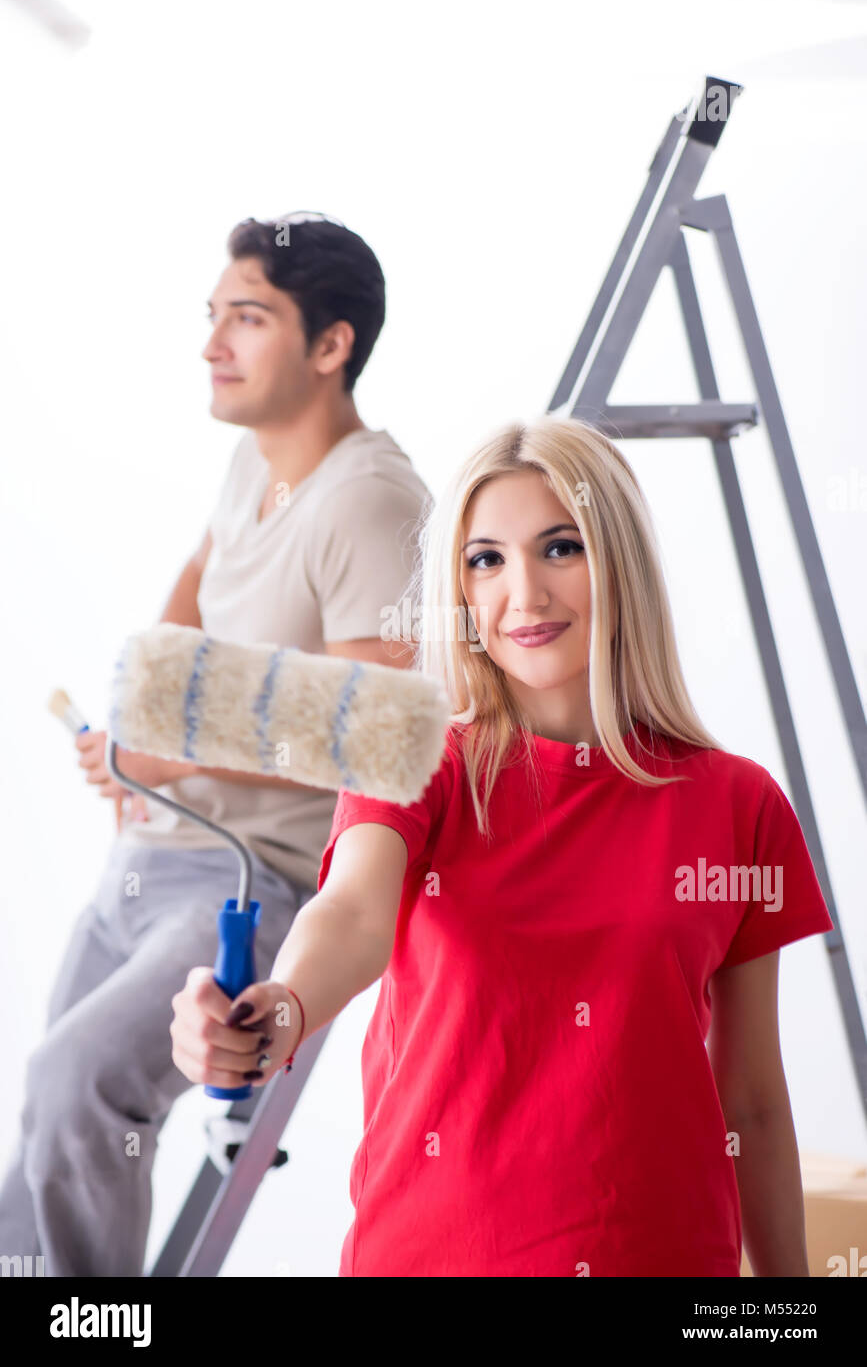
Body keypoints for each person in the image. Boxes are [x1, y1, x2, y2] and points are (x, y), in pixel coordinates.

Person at [170, 415, 834, 1278]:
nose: (522, 594)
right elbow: (349, 914)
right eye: (485, 560)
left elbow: (751, 1101)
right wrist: (278, 1012)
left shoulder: (739, 805)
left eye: (559, 548)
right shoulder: (411, 759)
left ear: (617, 559)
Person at [0, 211, 432, 1277]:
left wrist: (178, 745)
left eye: (247, 318)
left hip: (251, 877)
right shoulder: (254, 462)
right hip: (160, 850)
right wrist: (133, 729)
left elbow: (383, 733)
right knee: (48, 1126)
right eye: (212, 317)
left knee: (75, 1089)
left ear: (331, 345)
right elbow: (182, 617)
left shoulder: (371, 498)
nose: (212, 344)